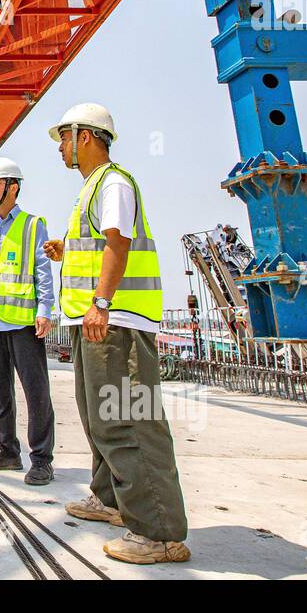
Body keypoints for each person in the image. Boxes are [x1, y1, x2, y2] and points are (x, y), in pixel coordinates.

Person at [42, 103, 191, 564]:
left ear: (86, 136)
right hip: (97, 322)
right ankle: (109, 501)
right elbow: (99, 245)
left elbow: (117, 244)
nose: (62, 148)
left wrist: (101, 303)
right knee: (98, 418)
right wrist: (67, 249)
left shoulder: (113, 183)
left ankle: (159, 533)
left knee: (128, 420)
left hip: (117, 321)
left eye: (65, 138)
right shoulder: (91, 188)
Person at [0, 156, 57, 486]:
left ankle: (42, 459)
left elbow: (42, 271)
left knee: (36, 392)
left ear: (13, 187)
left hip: (23, 323)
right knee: (0, 391)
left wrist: (45, 309)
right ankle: (7, 450)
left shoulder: (33, 225)